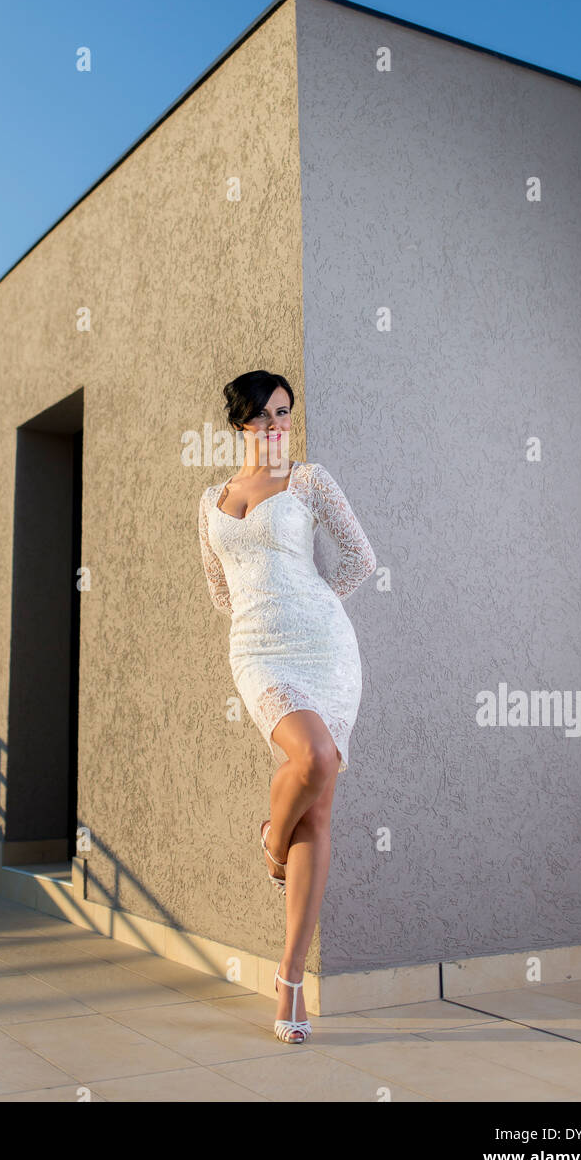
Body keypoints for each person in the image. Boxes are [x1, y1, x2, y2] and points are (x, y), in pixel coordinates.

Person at [197, 370, 376, 1042]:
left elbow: (360, 557)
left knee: (319, 794)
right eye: (266, 416)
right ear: (241, 424)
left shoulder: (310, 481)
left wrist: (313, 600)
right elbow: (222, 594)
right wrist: (264, 608)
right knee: (315, 758)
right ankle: (272, 841)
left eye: (286, 415)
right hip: (259, 655)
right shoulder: (211, 501)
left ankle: (290, 983)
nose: (278, 428)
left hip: (324, 650)